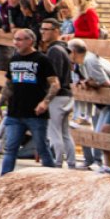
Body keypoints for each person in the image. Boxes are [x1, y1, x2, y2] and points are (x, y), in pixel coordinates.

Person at [0, 29, 58, 175]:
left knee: (42, 147)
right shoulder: (14, 59)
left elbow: (55, 84)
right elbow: (9, 85)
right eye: (15, 39)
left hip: (35, 113)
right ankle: (4, 180)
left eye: (19, 39)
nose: (16, 43)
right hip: (15, 112)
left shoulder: (41, 59)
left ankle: (52, 177)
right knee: (10, 148)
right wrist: (0, 104)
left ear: (30, 41)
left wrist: (45, 102)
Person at [69, 39, 110, 171]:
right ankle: (105, 164)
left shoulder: (89, 60)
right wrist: (87, 81)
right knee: (100, 132)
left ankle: (107, 165)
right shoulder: (84, 62)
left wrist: (89, 83)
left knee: (103, 132)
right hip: (106, 102)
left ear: (73, 52)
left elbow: (104, 82)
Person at [38, 19, 77, 170]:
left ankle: (57, 163)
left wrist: (46, 98)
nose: (43, 32)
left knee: (54, 132)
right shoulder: (63, 49)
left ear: (56, 31)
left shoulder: (54, 51)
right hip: (66, 95)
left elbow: (55, 78)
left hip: (58, 95)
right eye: (42, 29)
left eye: (46, 29)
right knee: (65, 132)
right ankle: (72, 164)